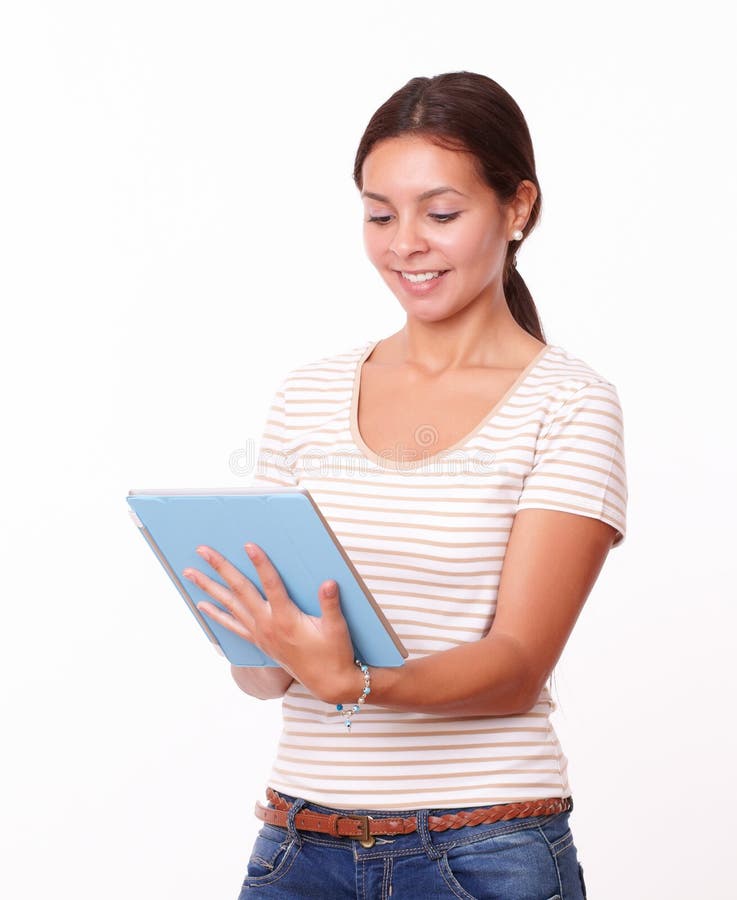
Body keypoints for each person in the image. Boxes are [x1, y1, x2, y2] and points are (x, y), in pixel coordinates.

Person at [184, 71, 627, 899]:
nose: (404, 244)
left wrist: (351, 680)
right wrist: (255, 633)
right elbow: (263, 680)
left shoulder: (568, 402)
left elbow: (516, 666)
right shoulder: (308, 393)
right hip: (296, 847)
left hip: (482, 851)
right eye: (379, 214)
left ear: (517, 208)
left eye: (441, 213)